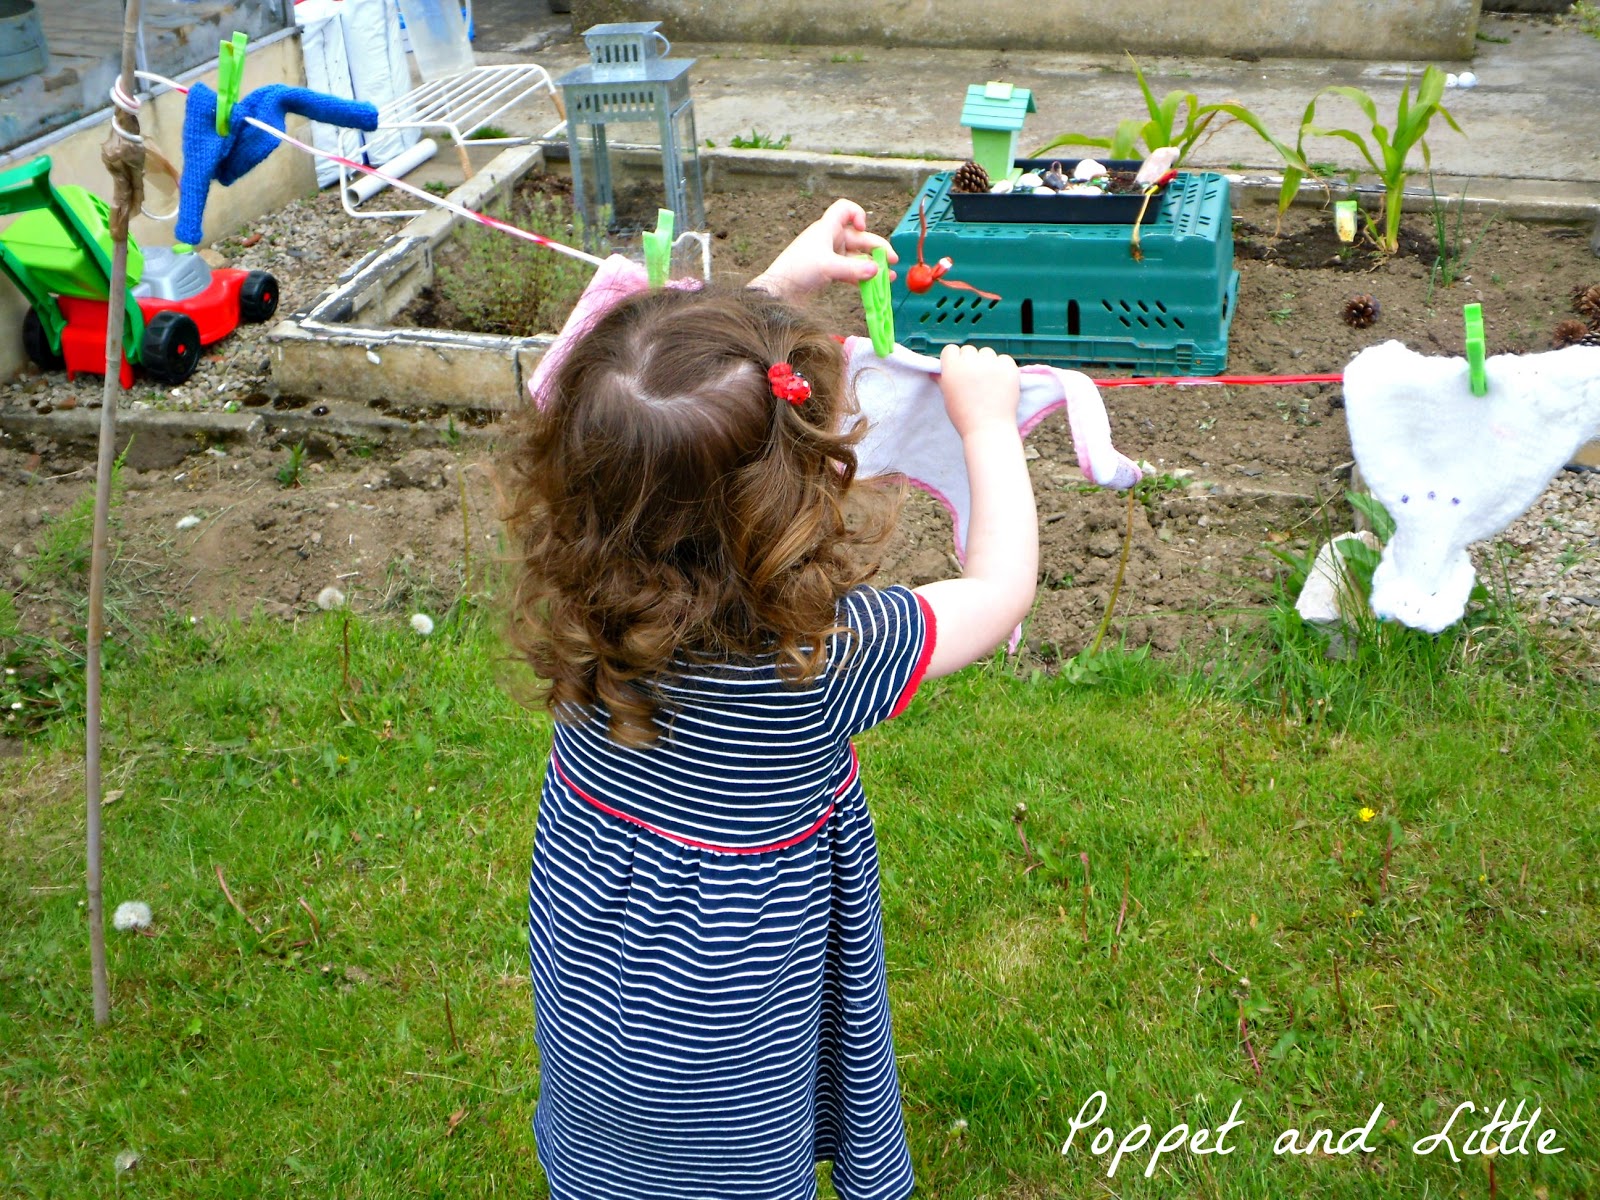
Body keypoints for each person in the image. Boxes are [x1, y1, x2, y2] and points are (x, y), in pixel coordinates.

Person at [499, 199, 1038, 1200]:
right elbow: (1002, 588)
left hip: (601, 1005)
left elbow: (658, 422)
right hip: (727, 1035)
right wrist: (987, 426)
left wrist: (774, 289)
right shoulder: (817, 659)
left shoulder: (585, 603)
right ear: (795, 488)